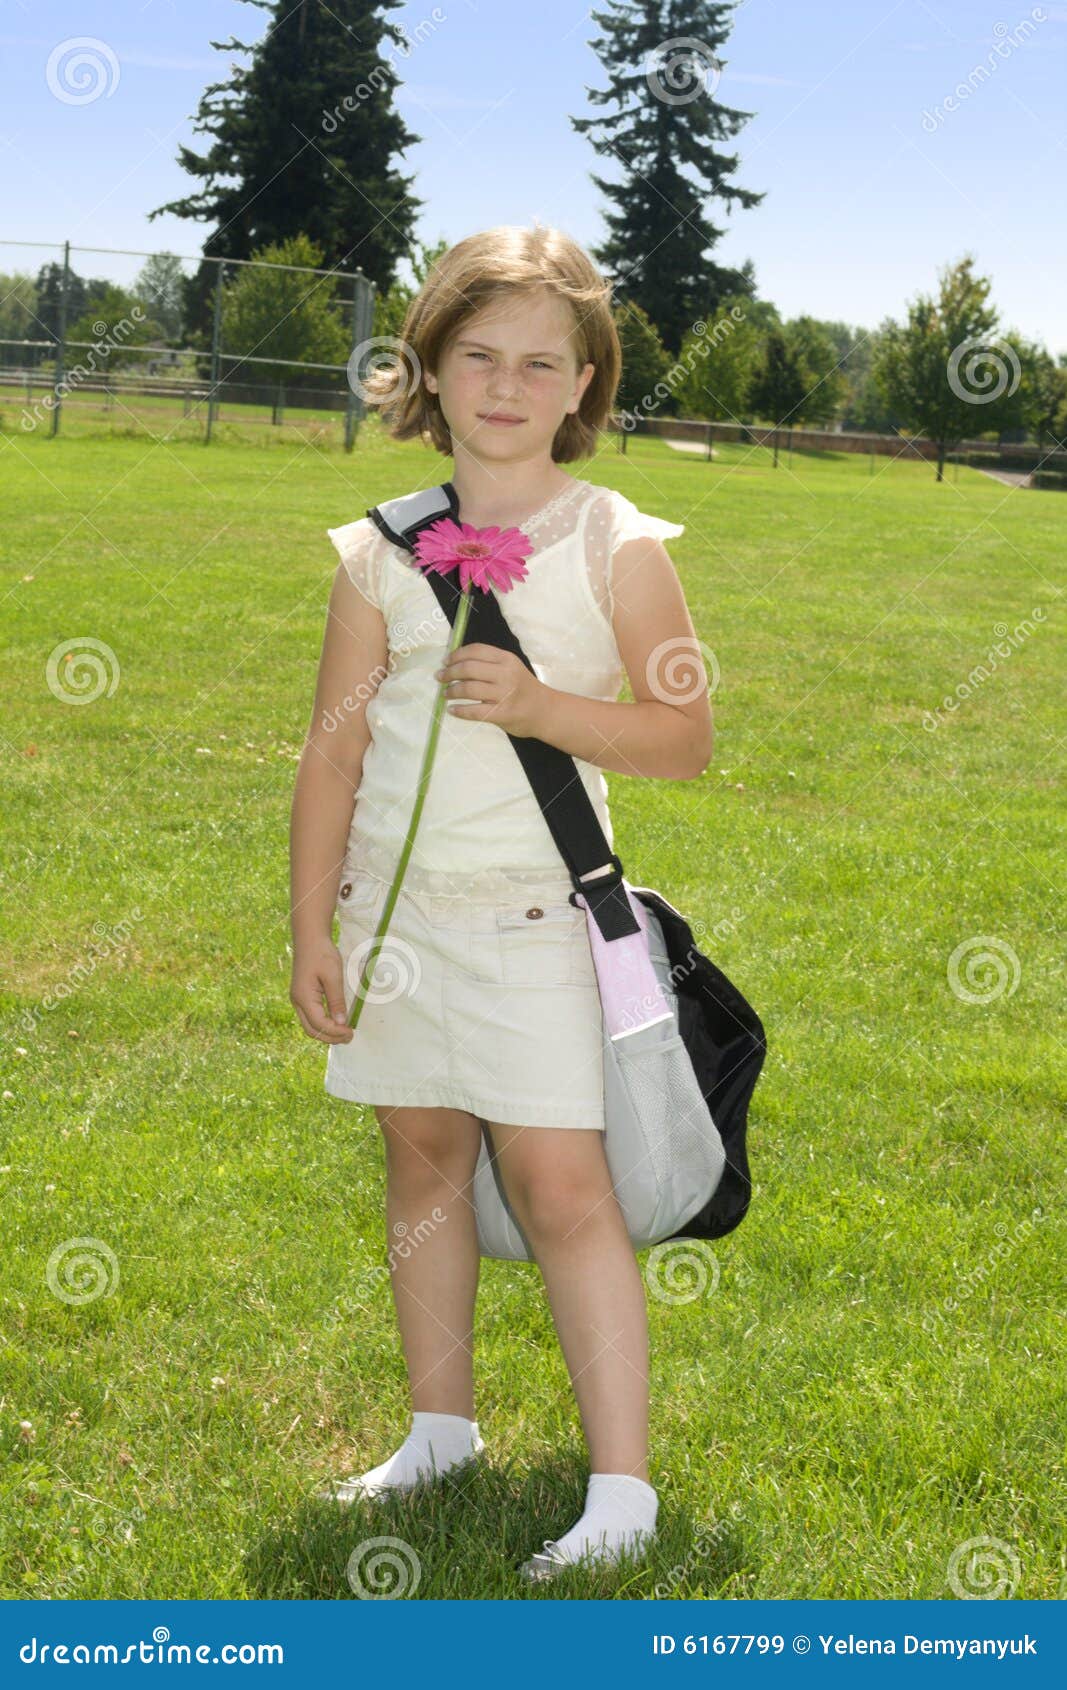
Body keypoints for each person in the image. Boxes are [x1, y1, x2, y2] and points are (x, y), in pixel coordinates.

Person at [288, 223, 713, 1579]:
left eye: (542, 362)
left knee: (562, 1188)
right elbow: (333, 753)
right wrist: (313, 926)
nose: (508, 385)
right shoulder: (381, 549)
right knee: (420, 1157)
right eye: (479, 355)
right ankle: (439, 1430)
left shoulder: (616, 540)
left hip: (540, 919)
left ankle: (623, 1494)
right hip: (398, 924)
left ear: (586, 383)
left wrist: (539, 706)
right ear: (428, 365)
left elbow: (685, 737)